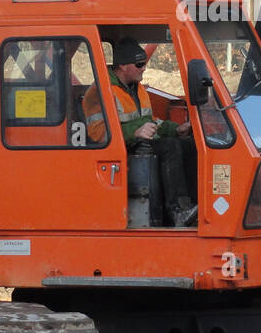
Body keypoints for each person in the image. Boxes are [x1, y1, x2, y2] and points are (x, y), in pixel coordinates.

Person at [82, 36, 196, 225]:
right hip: (119, 151)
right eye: (139, 64)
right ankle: (177, 211)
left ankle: (192, 207)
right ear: (123, 66)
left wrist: (177, 129)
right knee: (170, 147)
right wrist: (134, 133)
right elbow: (97, 134)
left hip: (141, 143)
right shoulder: (99, 92)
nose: (144, 68)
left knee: (191, 145)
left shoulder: (137, 88)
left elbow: (150, 121)